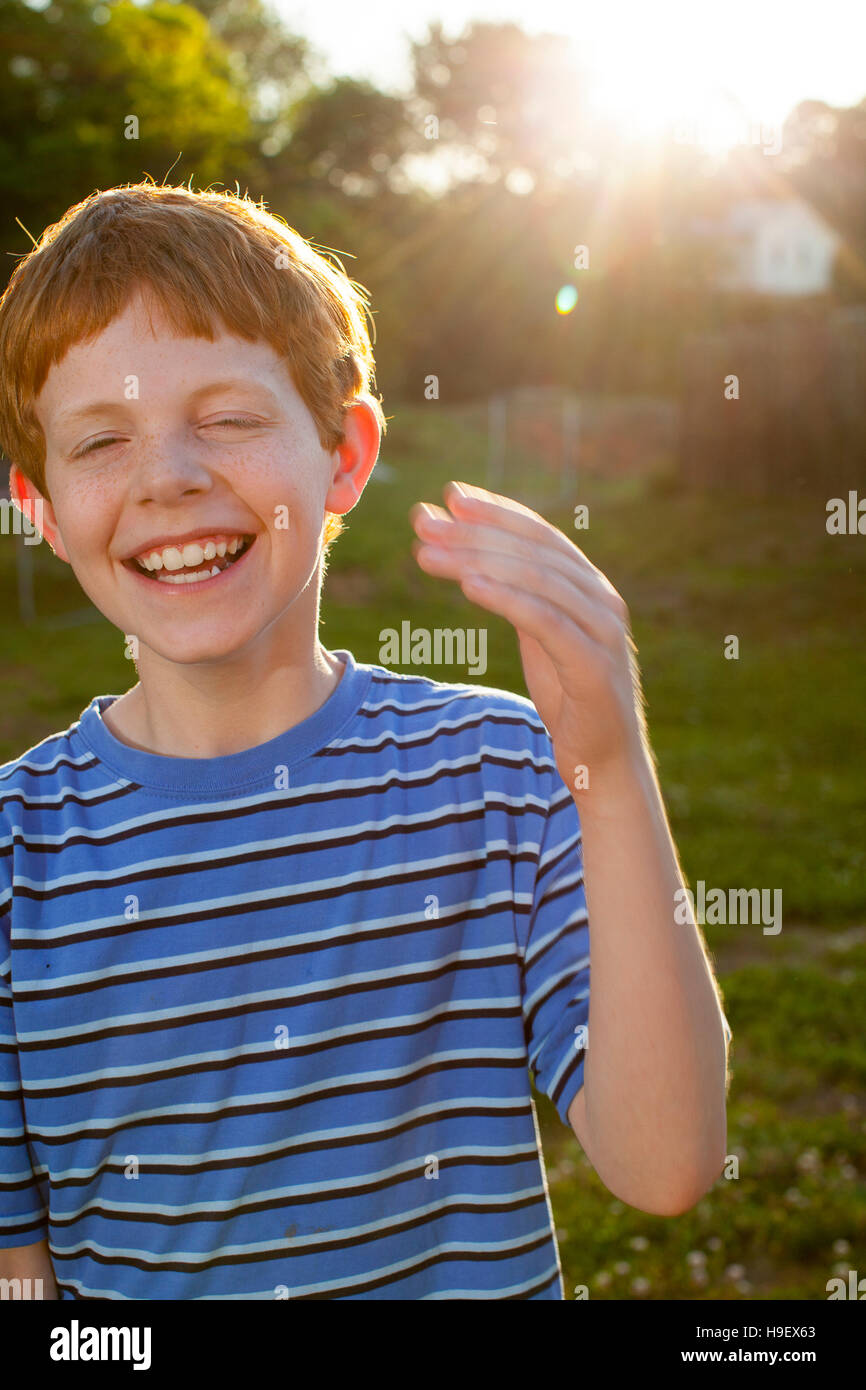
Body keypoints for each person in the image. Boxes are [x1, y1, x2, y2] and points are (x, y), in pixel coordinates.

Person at [0, 183, 731, 1300]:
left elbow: (666, 1162)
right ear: (41, 507)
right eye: (101, 441)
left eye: (229, 418)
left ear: (343, 454)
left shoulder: (493, 772)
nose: (169, 476)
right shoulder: (16, 853)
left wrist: (608, 767)